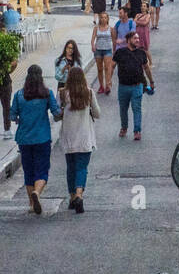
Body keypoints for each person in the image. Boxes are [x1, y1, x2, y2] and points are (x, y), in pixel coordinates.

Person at [11, 65, 62, 215]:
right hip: (42, 137)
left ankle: (32, 204)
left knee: (28, 171)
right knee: (42, 170)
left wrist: (20, 119)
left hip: (24, 139)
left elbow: (12, 115)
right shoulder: (47, 94)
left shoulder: (19, 95)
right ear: (41, 77)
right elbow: (56, 112)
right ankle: (37, 193)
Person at [58, 66, 98, 213]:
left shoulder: (62, 94)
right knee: (82, 167)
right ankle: (79, 195)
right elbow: (98, 113)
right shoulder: (89, 93)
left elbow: (56, 115)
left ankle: (72, 196)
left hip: (69, 137)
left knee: (71, 168)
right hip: (85, 137)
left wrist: (64, 112)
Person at [109, 30, 154, 141]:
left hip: (137, 86)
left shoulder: (141, 53)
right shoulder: (120, 52)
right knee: (123, 109)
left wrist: (151, 81)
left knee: (136, 108)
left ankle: (137, 131)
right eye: (135, 38)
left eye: (138, 38)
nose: (138, 40)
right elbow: (112, 66)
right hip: (123, 86)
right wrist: (108, 80)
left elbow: (146, 68)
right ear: (128, 40)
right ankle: (124, 128)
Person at [0, 50, 19, 142]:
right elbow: (14, 63)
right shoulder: (5, 45)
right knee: (3, 106)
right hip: (0, 81)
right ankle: (4, 130)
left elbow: (14, 63)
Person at [92, 12, 114, 95]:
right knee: (99, 69)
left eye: (105, 17)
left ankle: (108, 84)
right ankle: (101, 86)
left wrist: (114, 50)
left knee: (107, 68)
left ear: (107, 19)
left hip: (107, 50)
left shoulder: (111, 29)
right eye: (102, 17)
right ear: (99, 19)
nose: (103, 19)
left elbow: (114, 40)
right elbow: (93, 37)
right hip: (98, 50)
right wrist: (92, 45)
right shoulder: (96, 28)